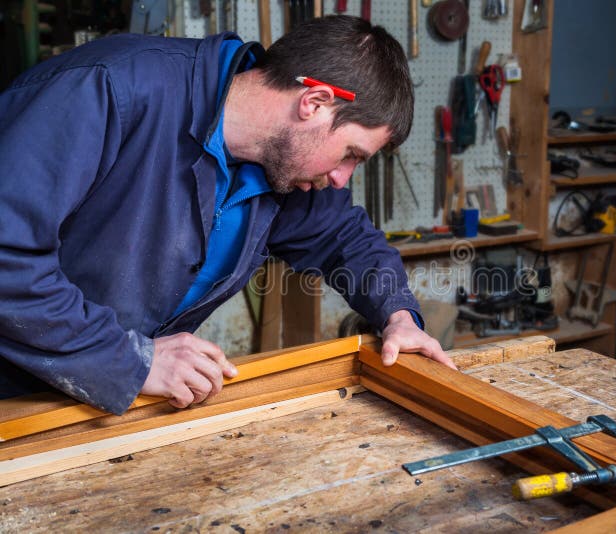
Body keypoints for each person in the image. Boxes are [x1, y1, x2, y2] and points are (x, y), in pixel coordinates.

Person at [0, 15, 456, 416]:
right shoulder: (108, 88)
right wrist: (128, 359)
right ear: (314, 102)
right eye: (351, 154)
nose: (342, 177)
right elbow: (7, 258)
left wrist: (398, 316)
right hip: (15, 389)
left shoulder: (282, 167)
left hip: (108, 400)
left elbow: (345, 239)